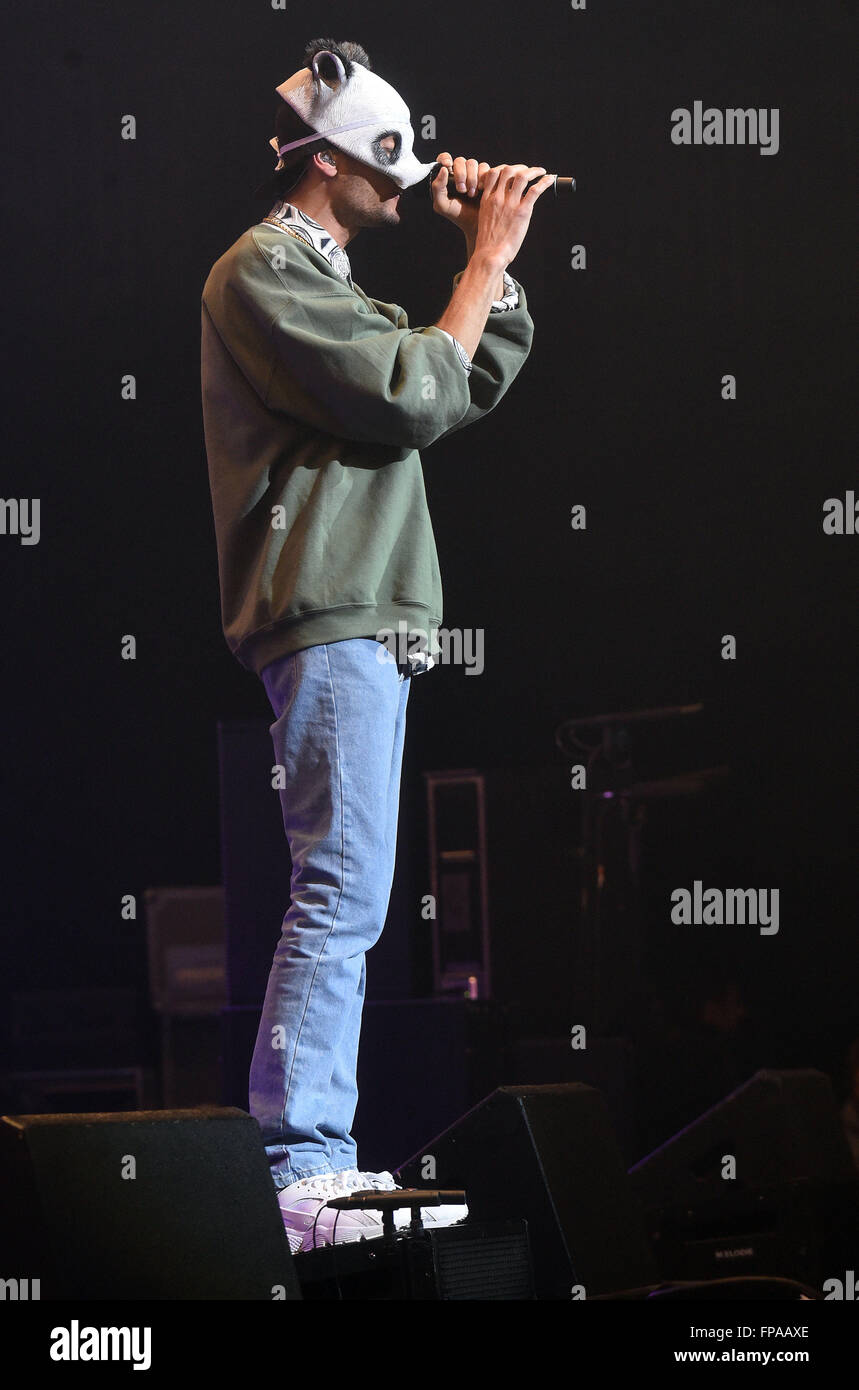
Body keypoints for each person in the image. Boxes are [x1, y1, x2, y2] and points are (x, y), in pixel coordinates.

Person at [200, 37, 553, 1253]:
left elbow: (462, 375)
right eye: (387, 173)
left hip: (373, 611)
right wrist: (484, 257)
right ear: (335, 163)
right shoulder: (262, 272)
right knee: (338, 893)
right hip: (329, 602)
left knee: (349, 895)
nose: (403, 192)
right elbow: (408, 392)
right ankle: (302, 1163)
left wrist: (483, 270)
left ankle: (314, 1156)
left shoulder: (335, 281)